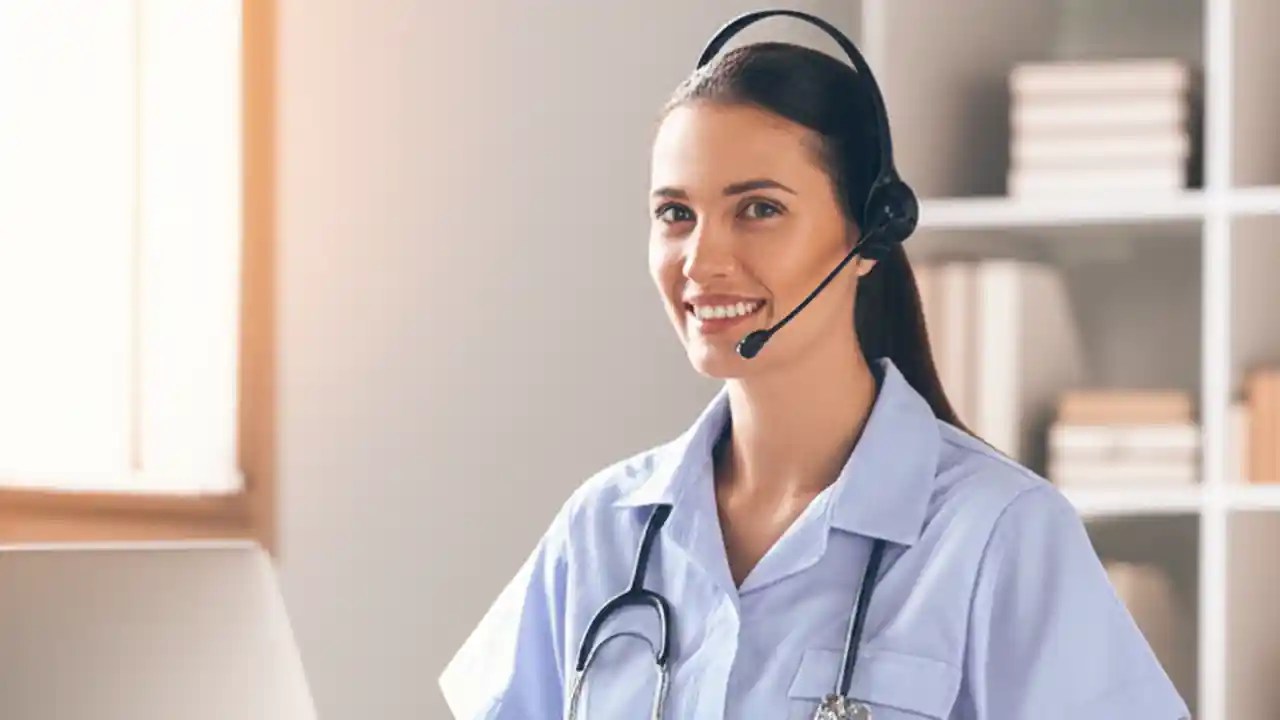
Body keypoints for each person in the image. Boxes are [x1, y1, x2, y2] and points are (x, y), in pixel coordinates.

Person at [439, 16, 1190, 720]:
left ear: (869, 234)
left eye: (758, 209)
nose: (703, 261)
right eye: (676, 214)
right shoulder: (601, 530)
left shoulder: (997, 532)